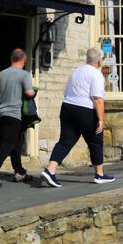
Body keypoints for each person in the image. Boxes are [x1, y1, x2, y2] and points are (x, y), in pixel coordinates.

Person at [41, 47, 116, 188]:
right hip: (84, 109)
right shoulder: (96, 74)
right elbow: (97, 99)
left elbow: (66, 92)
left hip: (67, 107)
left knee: (65, 141)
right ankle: (99, 175)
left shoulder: (76, 71)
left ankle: (50, 170)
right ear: (99, 61)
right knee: (95, 140)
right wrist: (100, 119)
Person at [0, 48, 36, 187]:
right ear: (24, 60)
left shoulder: (1, 74)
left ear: (11, 59)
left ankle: (19, 172)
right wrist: (34, 91)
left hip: (0, 113)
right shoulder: (24, 74)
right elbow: (29, 93)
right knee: (8, 143)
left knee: (15, 142)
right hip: (14, 114)